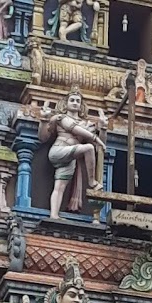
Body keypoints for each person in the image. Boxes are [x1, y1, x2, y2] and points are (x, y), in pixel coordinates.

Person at [39, 87, 106, 220]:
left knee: (59, 187)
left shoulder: (85, 124)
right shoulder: (60, 118)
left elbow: (102, 147)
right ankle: (92, 181)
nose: (75, 103)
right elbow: (43, 138)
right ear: (66, 103)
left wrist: (103, 127)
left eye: (78, 101)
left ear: (81, 105)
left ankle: (54, 215)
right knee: (88, 148)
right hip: (59, 151)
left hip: (70, 159)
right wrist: (44, 120)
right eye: (72, 100)